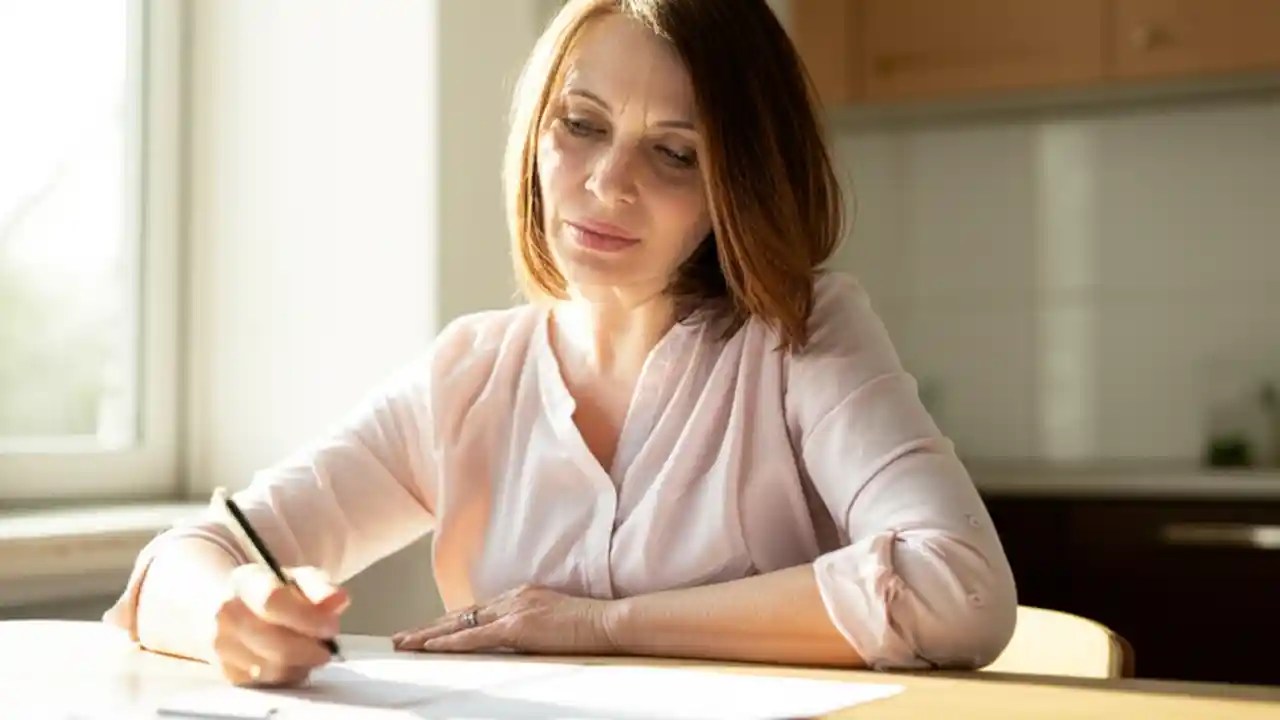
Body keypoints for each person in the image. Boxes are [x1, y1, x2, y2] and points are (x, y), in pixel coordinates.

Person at [105, 0, 1017, 688]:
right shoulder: (472, 372)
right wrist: (232, 609)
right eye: (580, 127)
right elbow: (176, 565)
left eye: (675, 153)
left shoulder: (801, 335)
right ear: (537, 134)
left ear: (736, 184)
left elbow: (961, 592)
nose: (606, 182)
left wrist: (603, 623)